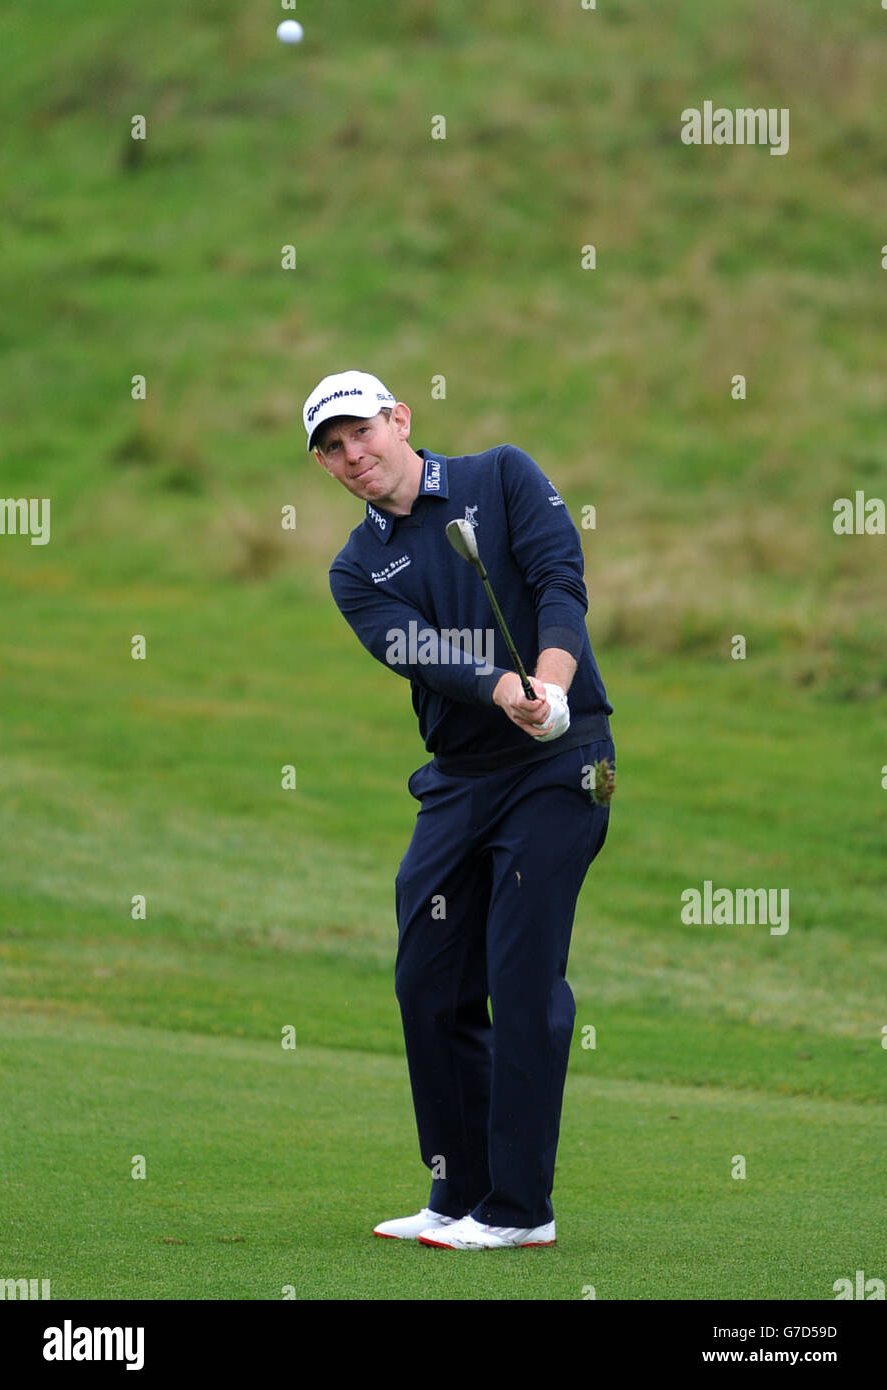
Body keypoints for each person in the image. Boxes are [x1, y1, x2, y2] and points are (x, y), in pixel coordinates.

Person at [304, 369, 615, 1250]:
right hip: (460, 776)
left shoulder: (500, 475)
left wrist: (550, 685)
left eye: (362, 431)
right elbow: (418, 648)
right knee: (428, 983)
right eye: (332, 448)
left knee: (521, 981)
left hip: (561, 764)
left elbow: (559, 581)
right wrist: (503, 687)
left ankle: (520, 1211)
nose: (352, 455)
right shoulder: (355, 567)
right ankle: (458, 1190)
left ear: (400, 419)